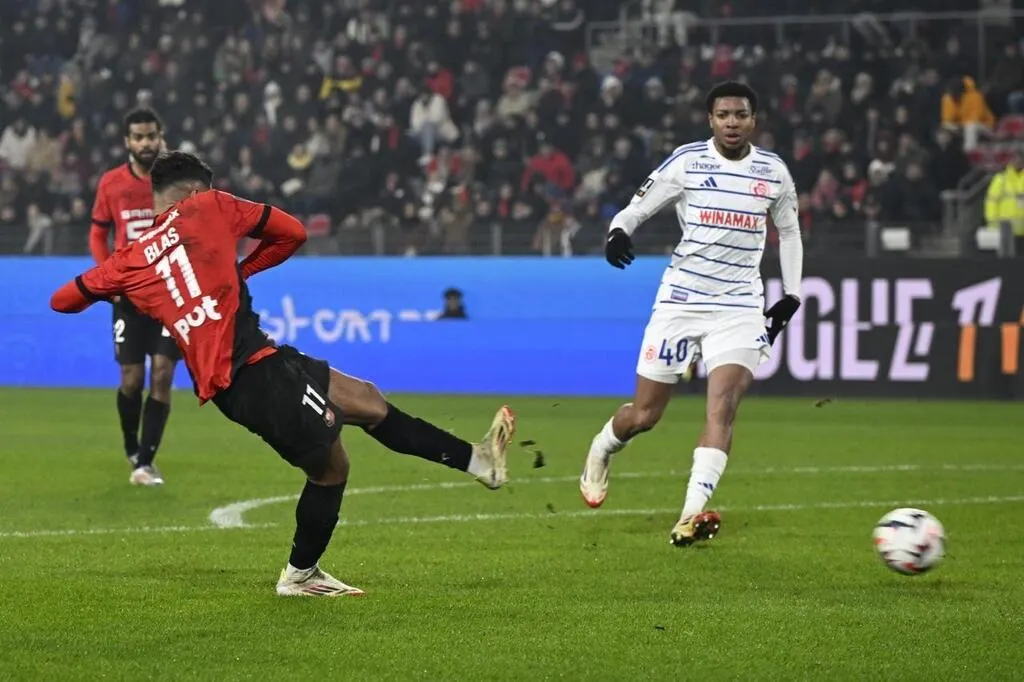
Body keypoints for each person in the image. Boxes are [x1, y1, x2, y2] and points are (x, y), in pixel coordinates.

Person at [52, 151, 516, 597]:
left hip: (259, 362)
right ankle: (300, 574)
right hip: (251, 378)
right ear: (195, 190)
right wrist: (241, 271)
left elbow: (63, 300)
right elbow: (292, 233)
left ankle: (481, 462)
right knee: (332, 468)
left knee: (368, 401)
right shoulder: (211, 205)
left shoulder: (130, 260)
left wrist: (126, 290)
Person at [578, 82, 804, 546]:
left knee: (723, 405)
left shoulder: (774, 172)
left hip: (739, 305)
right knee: (643, 416)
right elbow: (637, 208)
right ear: (711, 120)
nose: (732, 122)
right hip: (681, 302)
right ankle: (602, 448)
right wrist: (618, 231)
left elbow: (791, 232)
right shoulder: (687, 162)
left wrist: (791, 296)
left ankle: (690, 514)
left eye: (741, 114)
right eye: (723, 115)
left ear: (753, 120)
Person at [90, 108, 179, 486]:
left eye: (150, 136)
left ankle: (145, 462)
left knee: (161, 373)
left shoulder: (178, 181)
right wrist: (107, 278)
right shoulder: (112, 184)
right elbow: (98, 233)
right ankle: (131, 446)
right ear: (128, 141)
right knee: (131, 378)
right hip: (129, 294)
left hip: (171, 294)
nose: (145, 143)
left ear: (161, 137)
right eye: (138, 137)